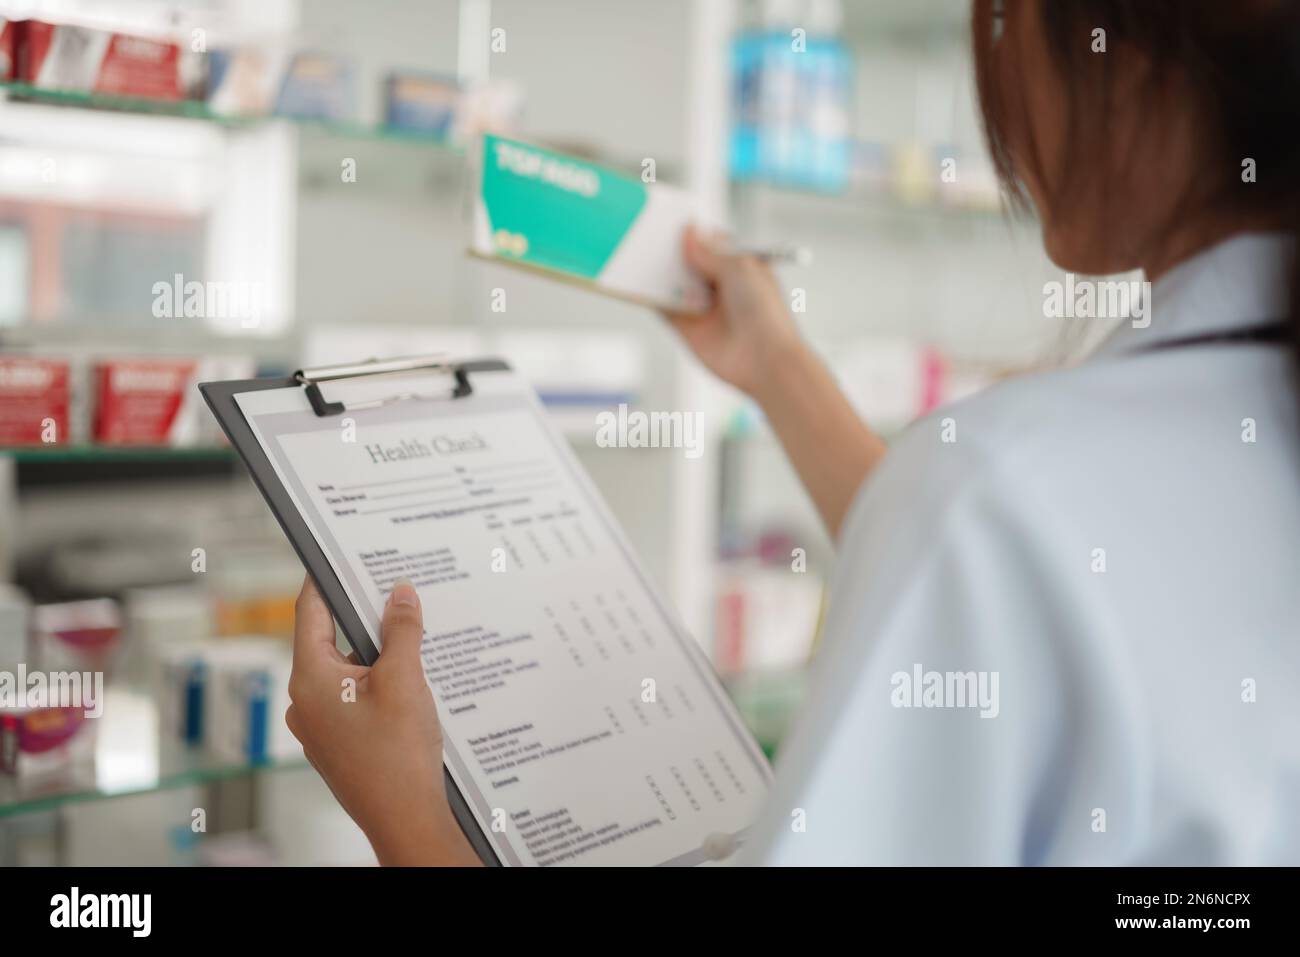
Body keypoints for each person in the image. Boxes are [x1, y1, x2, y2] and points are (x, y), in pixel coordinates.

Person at [285, 0, 1300, 865]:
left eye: (1003, 22)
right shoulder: (1179, 439)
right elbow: (1018, 580)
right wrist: (774, 363)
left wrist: (407, 812)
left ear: (1127, 69)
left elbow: (993, 548)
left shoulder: (1003, 484)